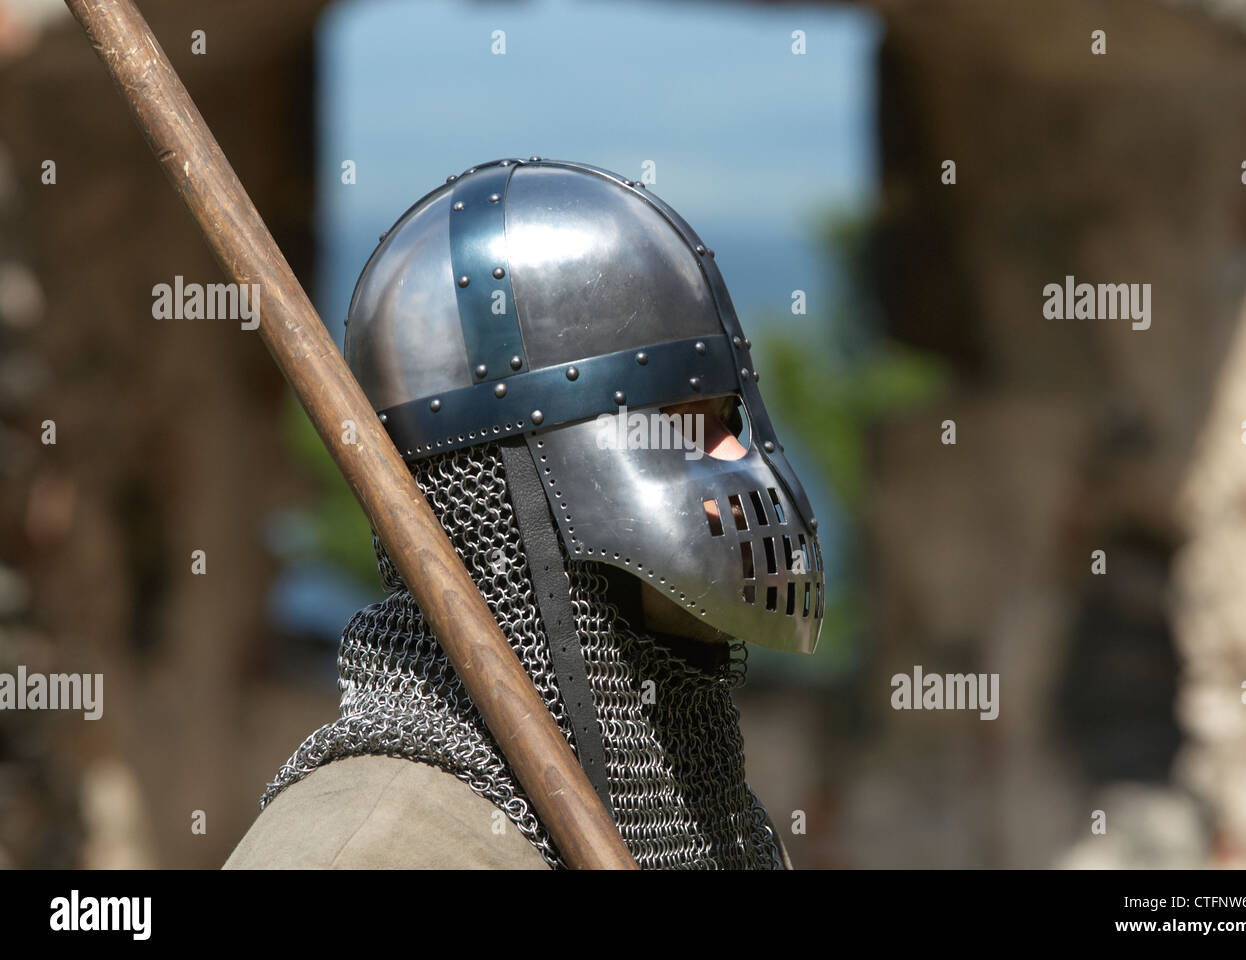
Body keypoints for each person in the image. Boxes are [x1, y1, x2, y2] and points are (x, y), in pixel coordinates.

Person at [224, 158, 825, 869]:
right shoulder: (377, 849)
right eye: (684, 427)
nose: (738, 462)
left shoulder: (721, 825)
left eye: (732, 420)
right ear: (523, 486)